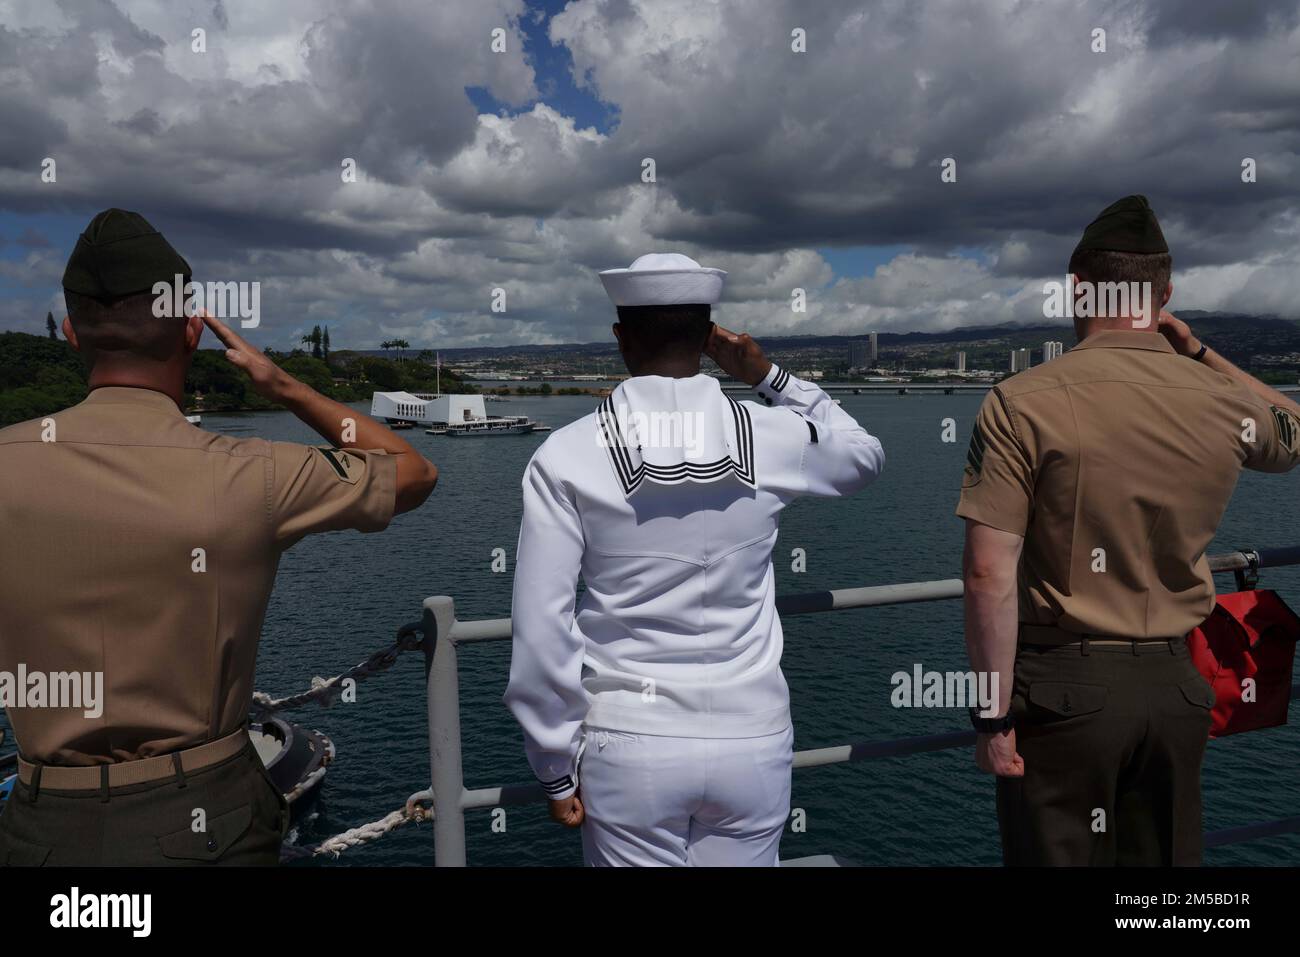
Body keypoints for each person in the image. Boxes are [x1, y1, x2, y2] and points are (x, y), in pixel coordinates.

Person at [0, 208, 439, 865]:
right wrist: (282, 384)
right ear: (193, 331)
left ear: (70, 333)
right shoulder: (253, 474)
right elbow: (413, 472)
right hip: (206, 822)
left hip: (41, 827)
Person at [504, 252, 884, 866]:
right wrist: (772, 378)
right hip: (751, 738)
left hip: (629, 743)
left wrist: (553, 764)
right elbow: (864, 455)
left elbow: (543, 628)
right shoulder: (774, 435)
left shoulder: (565, 454)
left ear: (621, 339)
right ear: (711, 340)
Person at [958, 195, 1300, 865]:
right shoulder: (1221, 400)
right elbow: (1293, 430)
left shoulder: (1022, 400)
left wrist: (993, 717)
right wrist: (1197, 350)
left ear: (1077, 289)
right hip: (1177, 689)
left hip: (1062, 692)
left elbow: (987, 573)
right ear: (1164, 294)